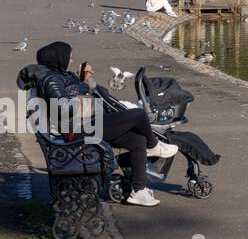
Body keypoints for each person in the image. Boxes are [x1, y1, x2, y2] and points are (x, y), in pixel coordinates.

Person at [29, 41, 177, 207]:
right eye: (68, 57)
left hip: (82, 125)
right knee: (138, 115)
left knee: (137, 141)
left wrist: (81, 82)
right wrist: (84, 87)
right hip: (78, 130)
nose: (70, 61)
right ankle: (154, 145)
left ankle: (139, 192)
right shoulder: (51, 79)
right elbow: (63, 107)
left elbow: (67, 94)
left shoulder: (55, 75)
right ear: (58, 58)